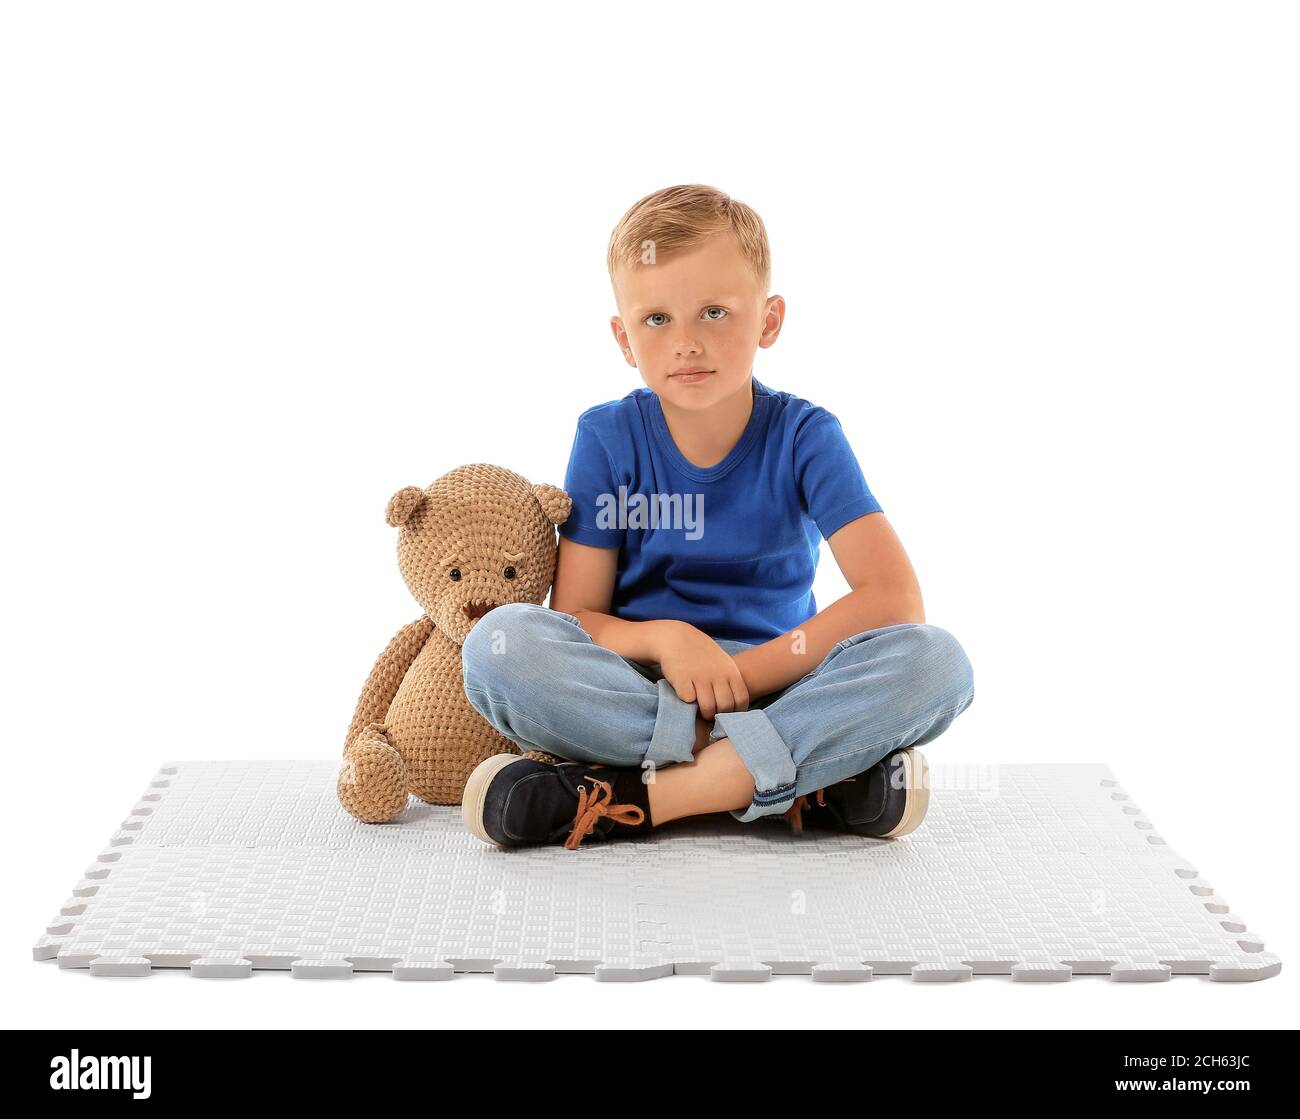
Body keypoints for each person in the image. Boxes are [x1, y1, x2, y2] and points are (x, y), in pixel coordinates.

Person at [460, 184, 974, 851]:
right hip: (650, 687)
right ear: (623, 337)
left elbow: (895, 597)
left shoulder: (806, 436)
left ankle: (639, 794)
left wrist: (748, 676)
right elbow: (576, 618)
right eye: (656, 320)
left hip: (785, 682)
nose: (687, 343)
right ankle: (802, 779)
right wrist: (668, 639)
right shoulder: (607, 436)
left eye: (713, 312)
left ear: (768, 320)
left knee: (938, 664)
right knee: (501, 645)